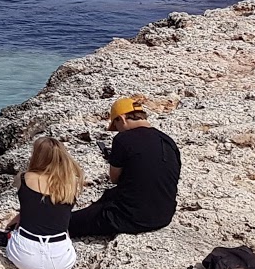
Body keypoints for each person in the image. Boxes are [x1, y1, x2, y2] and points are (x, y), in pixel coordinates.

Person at [68, 97, 181, 239]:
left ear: (121, 119)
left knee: (67, 223)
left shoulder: (123, 139)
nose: (118, 131)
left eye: (116, 127)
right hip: (164, 215)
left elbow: (114, 178)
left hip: (132, 217)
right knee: (109, 196)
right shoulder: (167, 141)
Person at [0, 137, 82, 269]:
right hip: (60, 263)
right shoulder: (72, 184)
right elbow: (49, 209)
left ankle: (9, 237)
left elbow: (33, 204)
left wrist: (16, 220)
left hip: (24, 258)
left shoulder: (23, 178)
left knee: (19, 230)